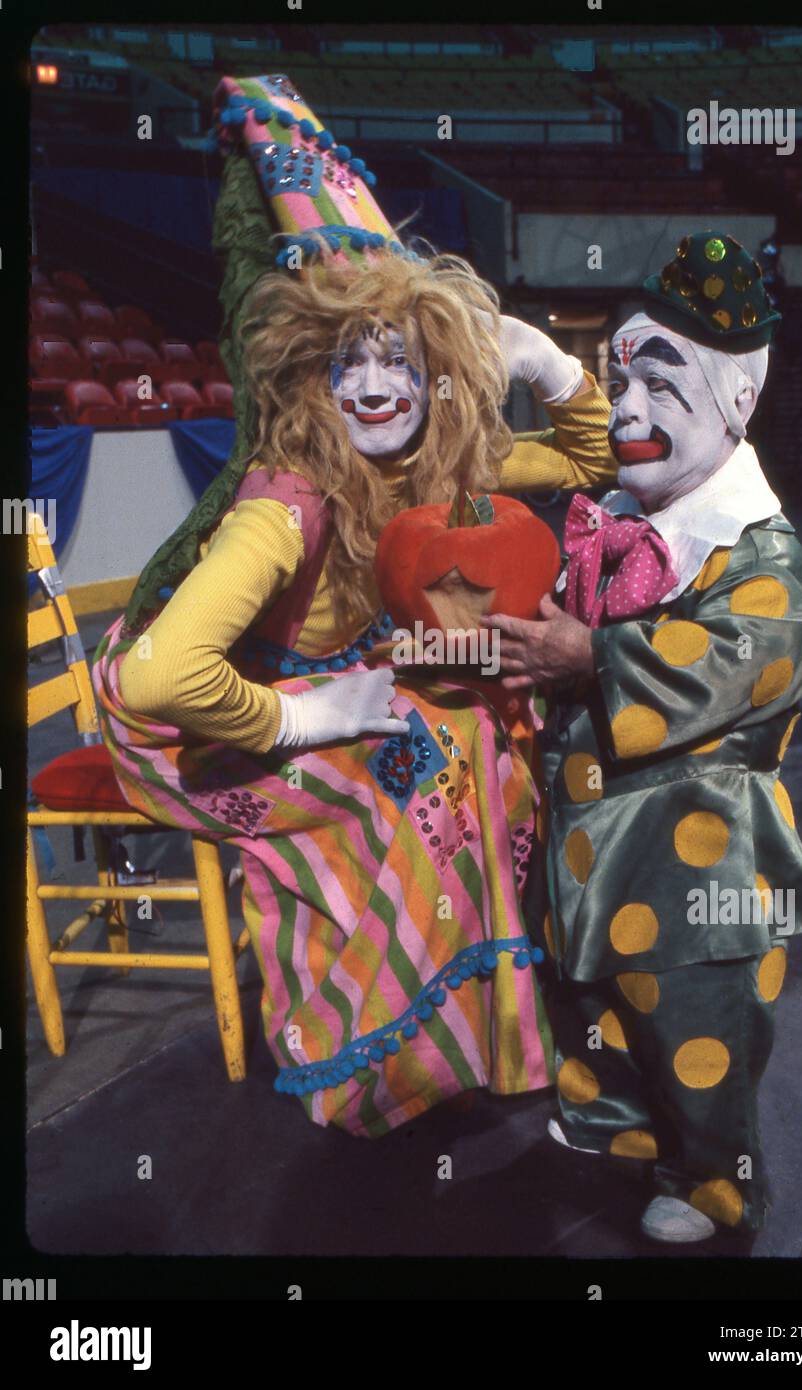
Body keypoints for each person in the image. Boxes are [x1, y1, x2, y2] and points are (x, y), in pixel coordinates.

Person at [91, 74, 616, 1138]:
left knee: (492, 736)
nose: (376, 388)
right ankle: (370, 1057)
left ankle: (481, 1023)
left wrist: (543, 359)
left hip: (329, 677)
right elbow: (159, 675)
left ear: (436, 380)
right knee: (416, 772)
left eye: (403, 362)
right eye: (349, 363)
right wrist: (307, 719)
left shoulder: (428, 461)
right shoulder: (286, 501)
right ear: (306, 378)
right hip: (200, 711)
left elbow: (582, 456)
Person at [485, 230, 802, 1241]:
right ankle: (619, 1126)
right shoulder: (618, 517)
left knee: (696, 1026)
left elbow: (748, 649)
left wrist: (590, 658)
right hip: (597, 849)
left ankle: (718, 1181)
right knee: (595, 1000)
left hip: (698, 868)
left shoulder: (756, 554)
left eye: (659, 391)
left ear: (731, 405)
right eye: (617, 384)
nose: (629, 415)